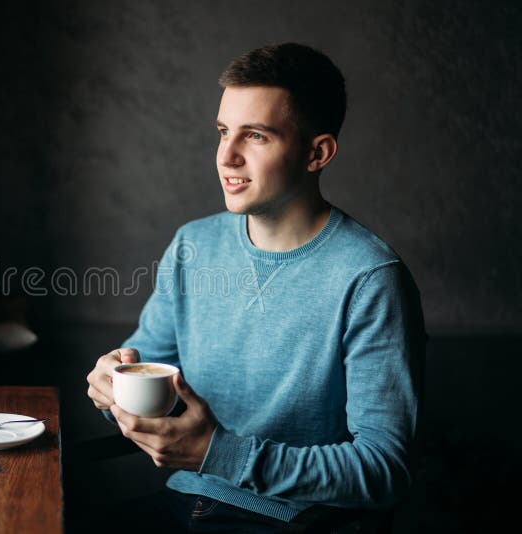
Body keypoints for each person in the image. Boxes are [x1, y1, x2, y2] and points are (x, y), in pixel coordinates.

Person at [85, 42, 426, 532]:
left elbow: (384, 470)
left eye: (257, 137)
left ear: (317, 152)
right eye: (223, 132)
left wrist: (221, 454)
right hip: (183, 502)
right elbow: (150, 387)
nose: (227, 156)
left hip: (294, 520)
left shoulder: (371, 278)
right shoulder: (193, 244)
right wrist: (111, 391)